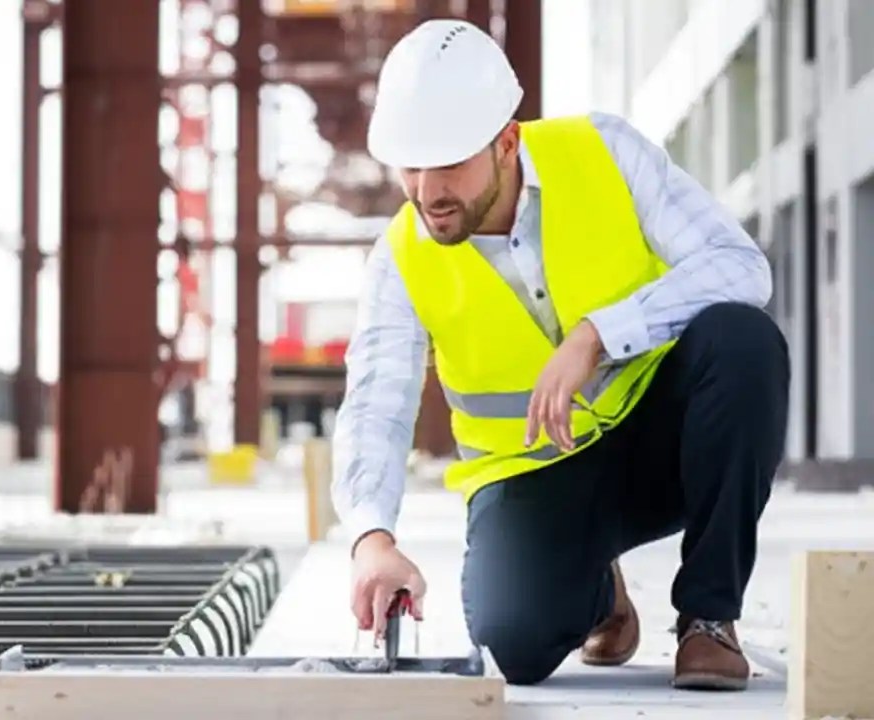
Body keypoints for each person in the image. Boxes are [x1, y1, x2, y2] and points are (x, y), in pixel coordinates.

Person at [331, 18, 789, 690]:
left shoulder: (604, 152)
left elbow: (740, 266)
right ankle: (600, 595)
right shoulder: (399, 260)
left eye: (449, 161)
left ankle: (709, 617)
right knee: (512, 643)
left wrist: (598, 334)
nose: (428, 191)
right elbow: (376, 403)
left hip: (663, 445)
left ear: (507, 142)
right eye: (411, 164)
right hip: (534, 476)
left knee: (742, 341)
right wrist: (371, 539)